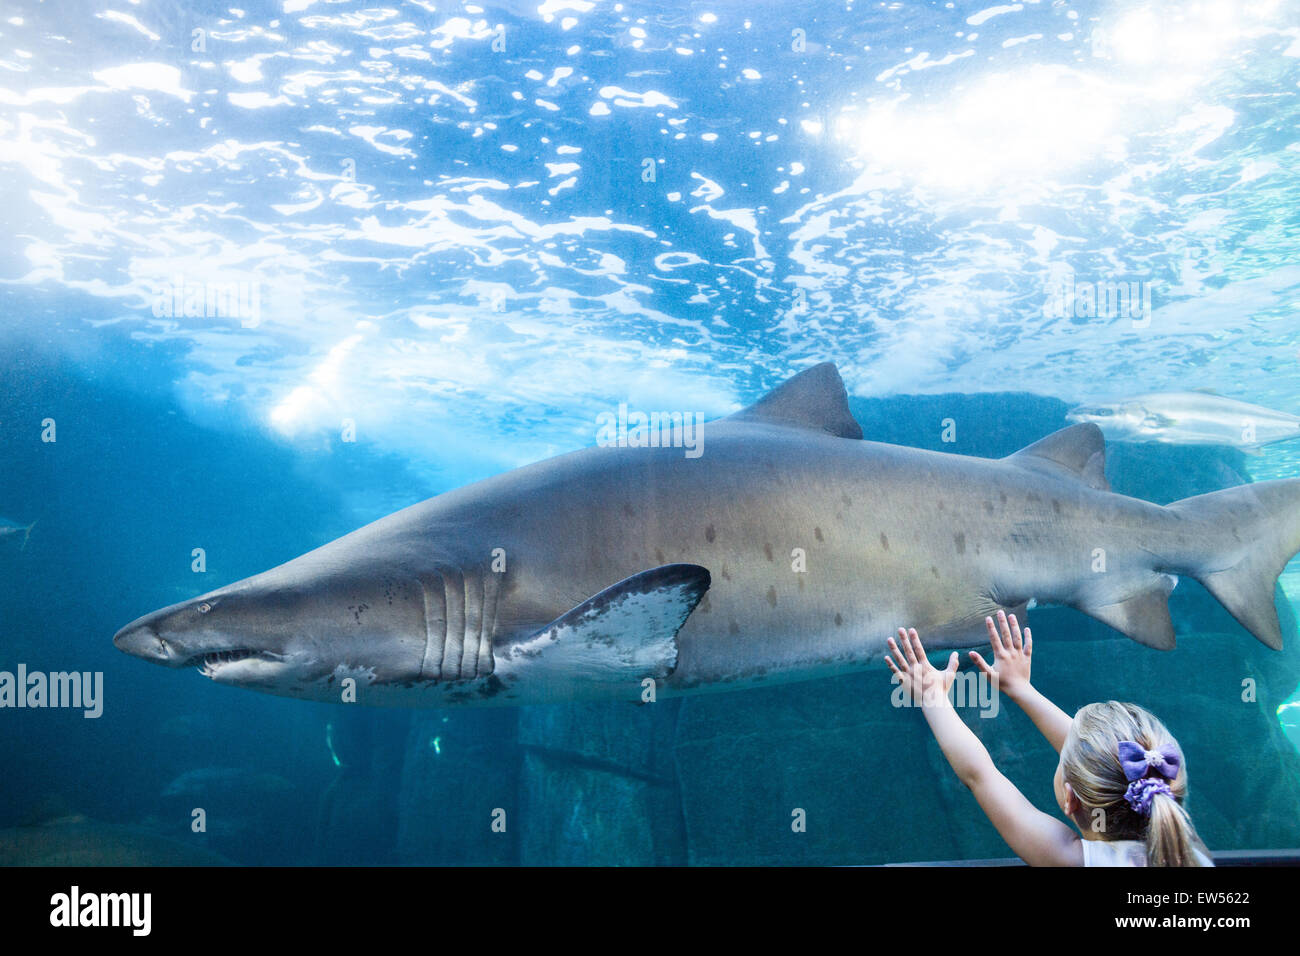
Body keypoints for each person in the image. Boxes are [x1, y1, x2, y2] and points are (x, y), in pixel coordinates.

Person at [885, 609, 1212, 866]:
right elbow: (1096, 758)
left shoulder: (1071, 861)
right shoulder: (1191, 850)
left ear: (1070, 800)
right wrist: (1021, 689)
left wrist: (932, 698)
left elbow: (979, 774)